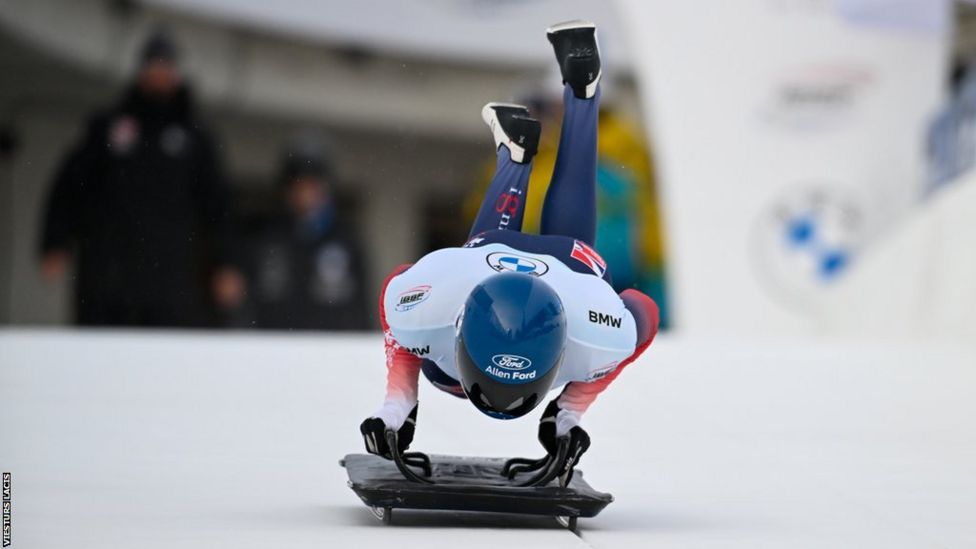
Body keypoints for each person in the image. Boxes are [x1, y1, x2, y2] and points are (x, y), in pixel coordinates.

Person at [360, 21, 659, 477]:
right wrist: (568, 412)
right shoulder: (597, 334)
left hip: (508, 262)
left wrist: (397, 408)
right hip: (508, 260)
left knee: (444, 367)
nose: (504, 406)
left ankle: (546, 129)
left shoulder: (434, 302)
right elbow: (645, 312)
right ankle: (522, 153)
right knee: (450, 349)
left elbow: (396, 295)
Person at [39, 30, 242, 326]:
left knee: (164, 360)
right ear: (141, 70)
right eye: (153, 65)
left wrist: (227, 263)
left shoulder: (196, 137)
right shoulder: (108, 128)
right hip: (107, 279)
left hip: (170, 283)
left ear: (175, 72)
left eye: (165, 66)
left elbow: (219, 205)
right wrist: (55, 242)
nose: (159, 73)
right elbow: (71, 185)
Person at [237, 132, 369, 330]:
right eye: (299, 185)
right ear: (286, 190)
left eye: (312, 185)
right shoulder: (267, 237)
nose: (306, 194)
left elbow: (360, 305)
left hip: (328, 348)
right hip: (272, 346)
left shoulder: (344, 240)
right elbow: (249, 303)